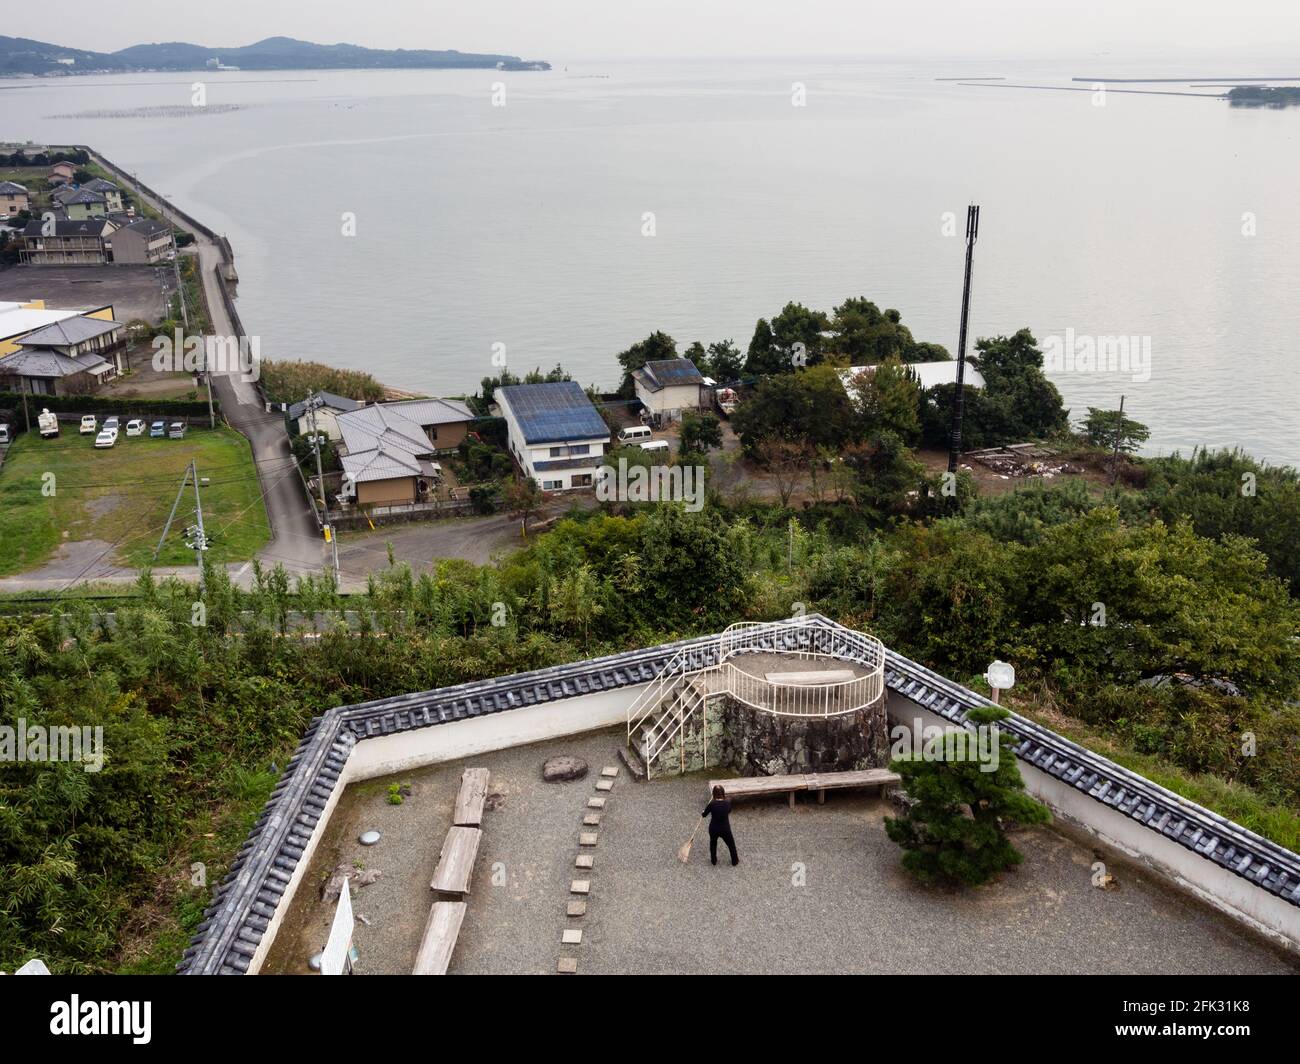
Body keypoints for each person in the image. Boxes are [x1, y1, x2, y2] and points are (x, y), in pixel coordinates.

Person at [701, 784, 739, 866]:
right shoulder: (728, 803)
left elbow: (704, 815)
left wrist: (703, 811)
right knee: (731, 844)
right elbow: (729, 811)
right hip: (725, 828)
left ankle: (713, 860)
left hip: (713, 828)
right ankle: (735, 861)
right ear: (723, 793)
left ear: (714, 794)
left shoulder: (712, 804)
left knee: (713, 843)